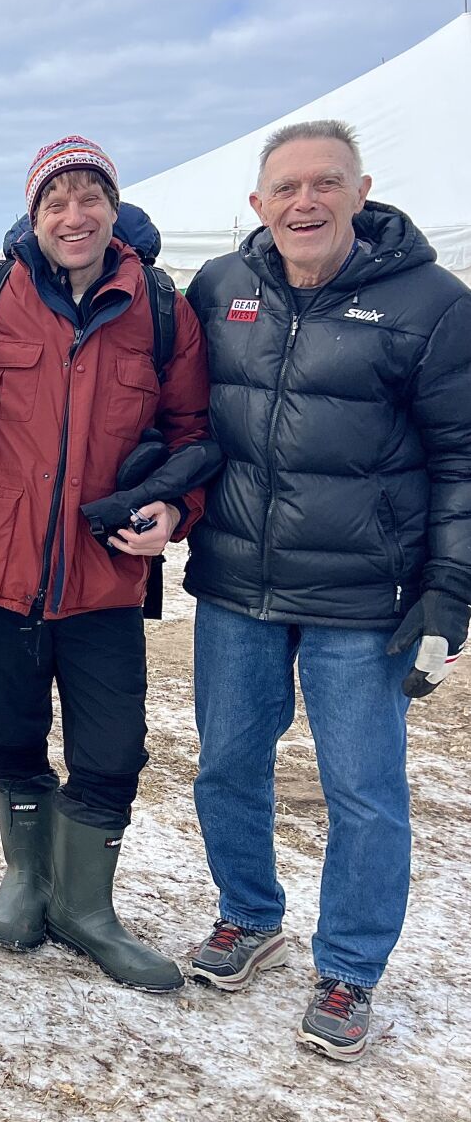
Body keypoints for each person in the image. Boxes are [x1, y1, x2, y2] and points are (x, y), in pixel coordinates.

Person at [182, 119, 471, 1059]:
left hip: (363, 594)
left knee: (364, 789)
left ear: (361, 191)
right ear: (258, 203)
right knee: (226, 762)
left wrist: (451, 589)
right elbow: (186, 419)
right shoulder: (223, 287)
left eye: (325, 184)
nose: (305, 202)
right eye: (287, 187)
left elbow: (462, 456)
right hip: (235, 581)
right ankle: (248, 913)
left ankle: (349, 967)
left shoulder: (431, 304)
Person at [0, 136, 211, 993]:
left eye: (90, 196)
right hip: (1, 564)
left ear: (113, 208)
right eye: (56, 200)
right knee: (12, 731)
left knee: (112, 748)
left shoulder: (161, 308)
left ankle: (86, 909)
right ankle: (27, 878)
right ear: (33, 213)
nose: (73, 215)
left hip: (104, 574)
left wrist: (174, 509)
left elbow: (193, 433)